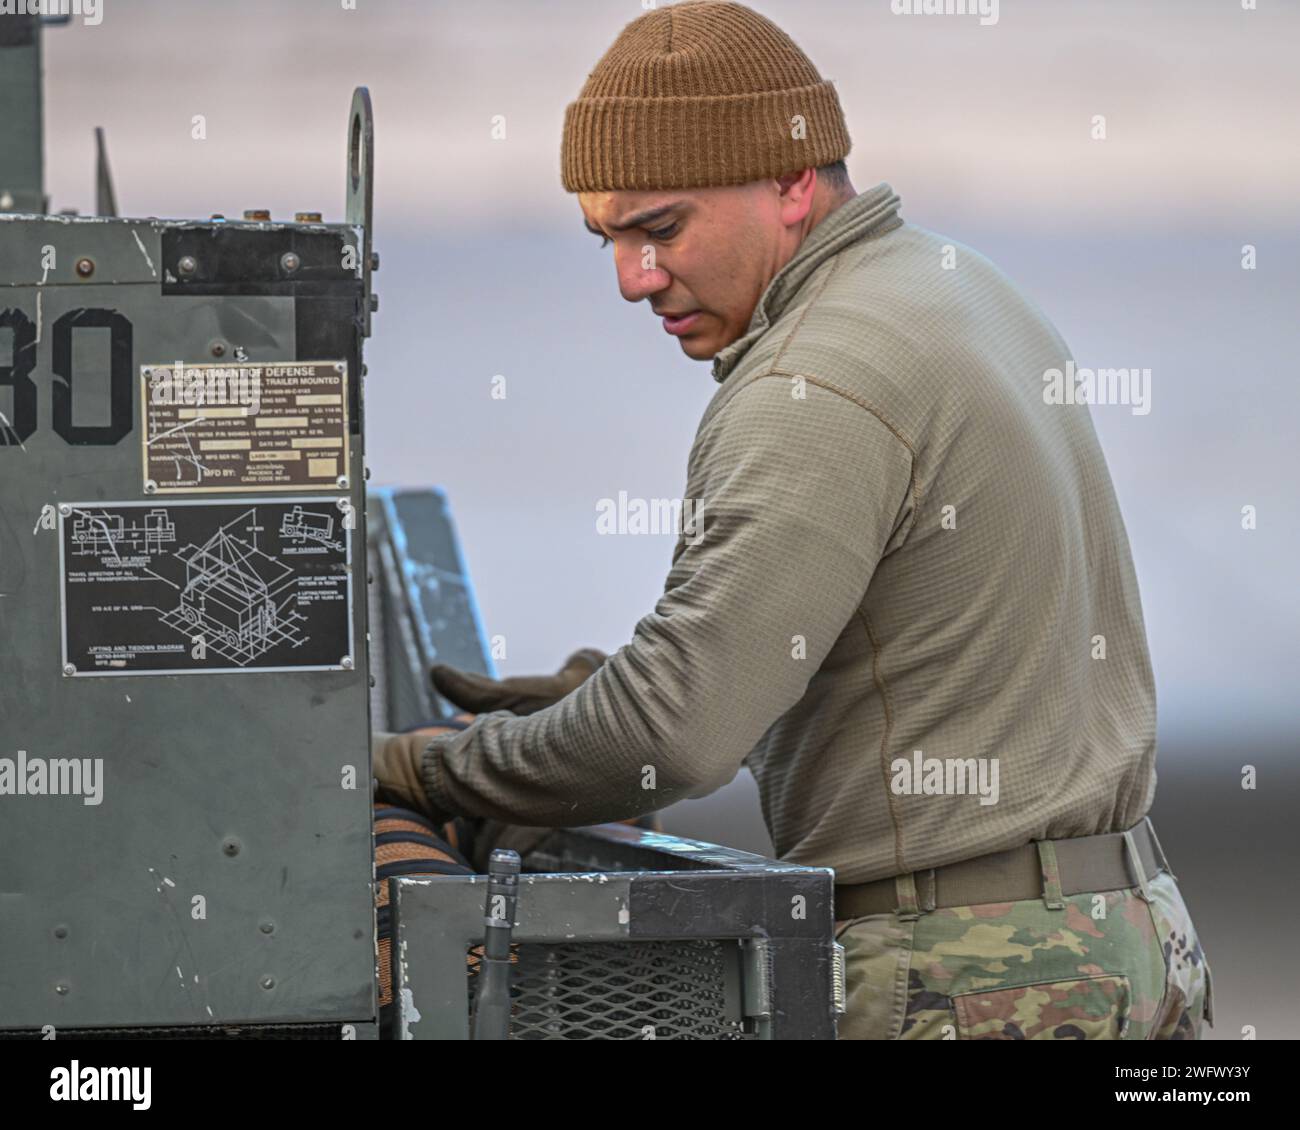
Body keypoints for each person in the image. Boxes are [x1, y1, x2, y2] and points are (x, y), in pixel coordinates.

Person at [374, 0, 1212, 1039]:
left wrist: (417, 766)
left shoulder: (812, 379)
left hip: (969, 977)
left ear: (788, 179)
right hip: (1127, 934)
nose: (632, 280)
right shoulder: (959, 291)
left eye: (660, 228)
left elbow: (672, 734)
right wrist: (601, 693)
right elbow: (903, 622)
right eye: (608, 239)